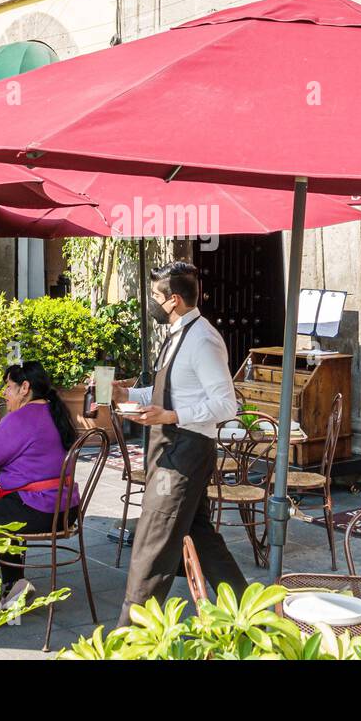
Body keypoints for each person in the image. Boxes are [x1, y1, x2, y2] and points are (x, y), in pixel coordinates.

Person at [112, 261, 247, 625]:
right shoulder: (175, 334)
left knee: (152, 544)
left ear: (173, 300)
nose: (151, 303)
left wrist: (169, 417)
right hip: (169, 449)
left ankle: (129, 638)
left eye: (155, 296)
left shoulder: (203, 340)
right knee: (199, 534)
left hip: (185, 452)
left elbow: (225, 405)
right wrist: (125, 394)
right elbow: (169, 392)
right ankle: (251, 614)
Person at [0, 361, 80, 597]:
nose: (4, 393)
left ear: (25, 388)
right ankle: (13, 585)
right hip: (66, 508)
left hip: (41, 510)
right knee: (4, 509)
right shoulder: (52, 410)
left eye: (8, 386)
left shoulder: (23, 418)